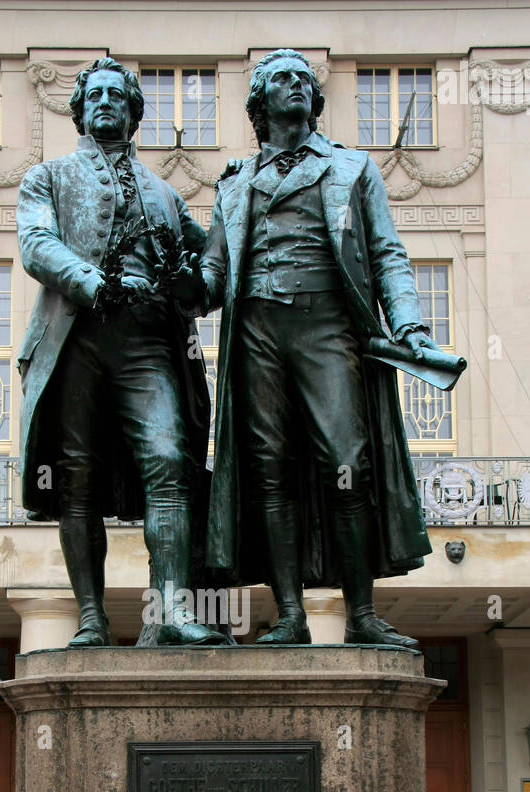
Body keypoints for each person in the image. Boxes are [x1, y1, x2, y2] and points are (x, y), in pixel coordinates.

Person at [179, 48, 439, 647]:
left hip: (328, 328)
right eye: (282, 79)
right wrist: (186, 285)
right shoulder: (234, 183)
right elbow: (214, 273)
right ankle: (290, 615)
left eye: (303, 79)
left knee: (348, 463)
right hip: (258, 333)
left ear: (315, 101)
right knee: (269, 470)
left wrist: (409, 325)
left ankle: (361, 615)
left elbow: (388, 254)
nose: (296, 85)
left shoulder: (352, 167)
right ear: (259, 103)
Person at [16, 57, 222, 646]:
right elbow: (36, 244)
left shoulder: (166, 195)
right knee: (76, 477)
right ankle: (91, 617)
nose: (105, 102)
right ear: (80, 111)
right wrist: (93, 281)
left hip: (147, 342)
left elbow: (211, 264)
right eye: (95, 95)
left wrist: (195, 283)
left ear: (133, 114)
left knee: (170, 460)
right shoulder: (47, 177)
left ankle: (173, 612)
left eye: (117, 96)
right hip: (76, 338)